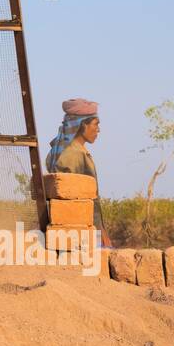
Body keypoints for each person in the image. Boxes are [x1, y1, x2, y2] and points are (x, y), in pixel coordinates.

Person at [44, 97, 113, 249]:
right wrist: (100, 234)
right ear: (83, 125)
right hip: (78, 231)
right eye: (96, 124)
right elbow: (81, 200)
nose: (98, 129)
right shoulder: (72, 155)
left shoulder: (70, 151)